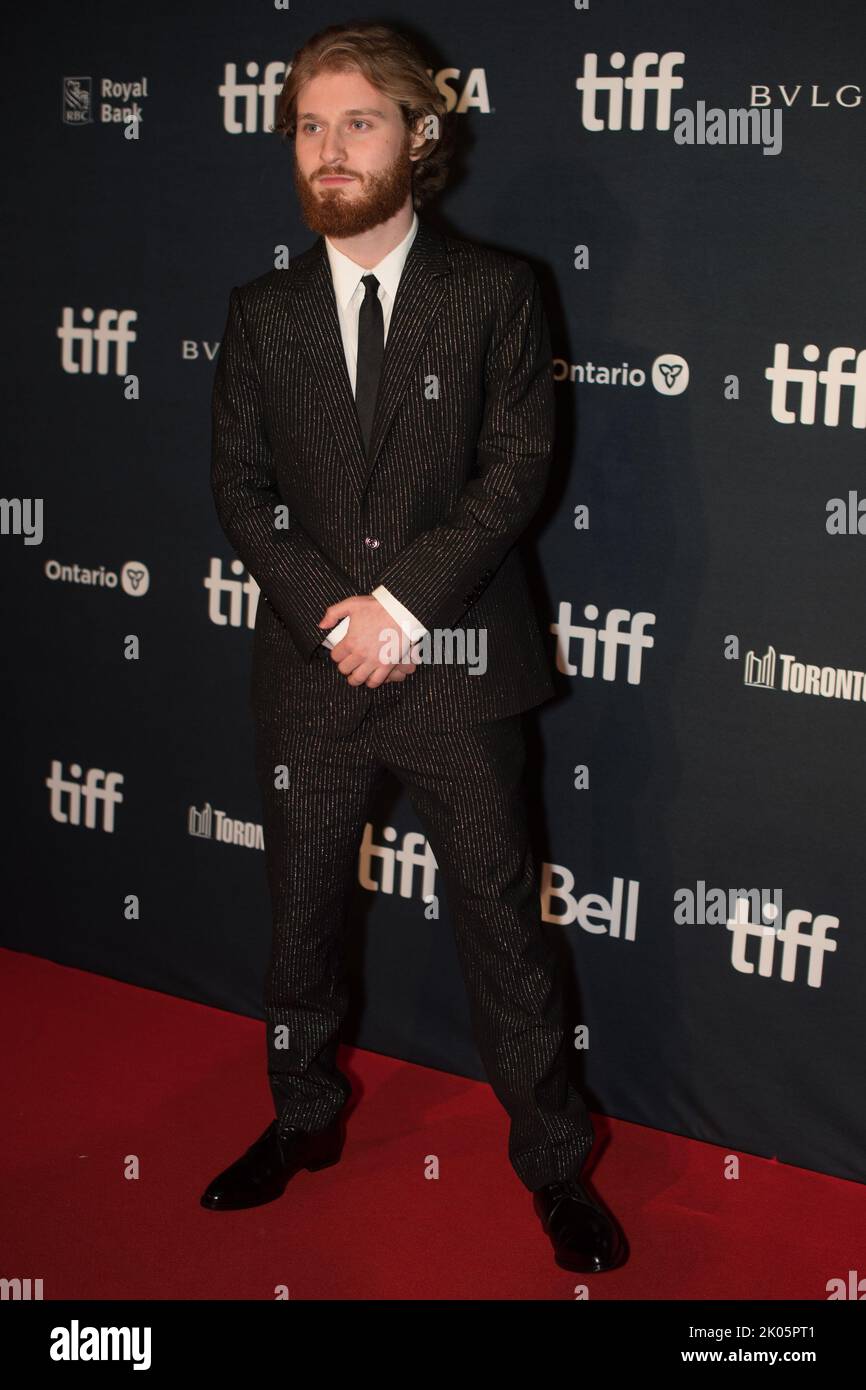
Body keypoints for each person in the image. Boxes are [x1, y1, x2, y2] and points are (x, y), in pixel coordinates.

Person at [202, 19, 627, 1275]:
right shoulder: (262, 311)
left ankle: (554, 1167)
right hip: (311, 667)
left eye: (359, 122)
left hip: (455, 670)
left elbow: (513, 474)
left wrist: (401, 610)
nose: (327, 151)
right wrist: (339, 615)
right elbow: (241, 487)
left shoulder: (496, 292)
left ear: (419, 138)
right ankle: (300, 1116)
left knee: (501, 923)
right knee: (298, 919)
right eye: (308, 125)